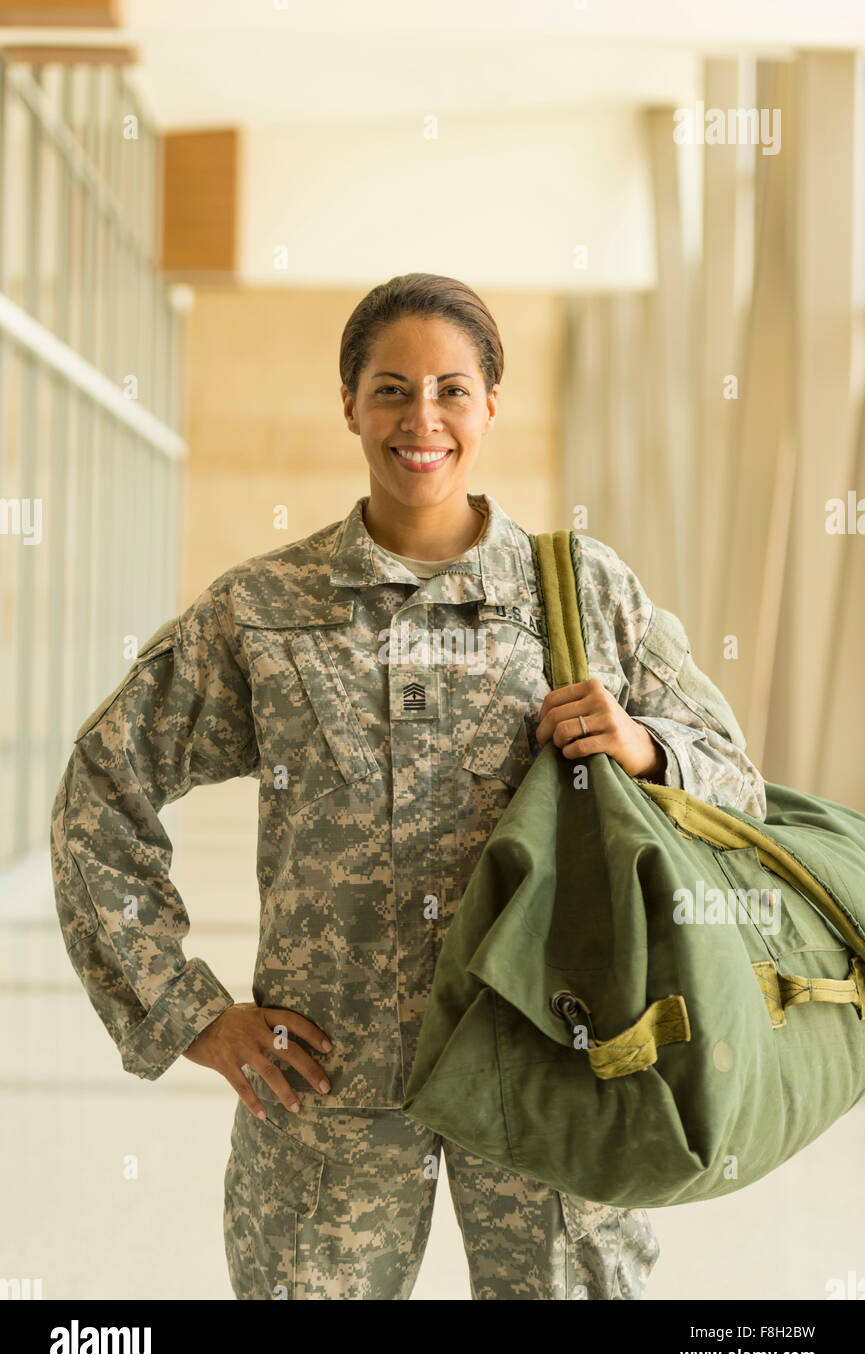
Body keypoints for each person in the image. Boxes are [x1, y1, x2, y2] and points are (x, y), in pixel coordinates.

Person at [50, 272, 766, 1301]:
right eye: (390, 389)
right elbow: (101, 781)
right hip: (328, 1103)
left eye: (450, 389)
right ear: (348, 404)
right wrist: (186, 1008)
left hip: (551, 1077)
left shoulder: (584, 593)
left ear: (489, 406)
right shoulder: (265, 611)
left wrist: (645, 745)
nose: (419, 419)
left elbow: (735, 780)